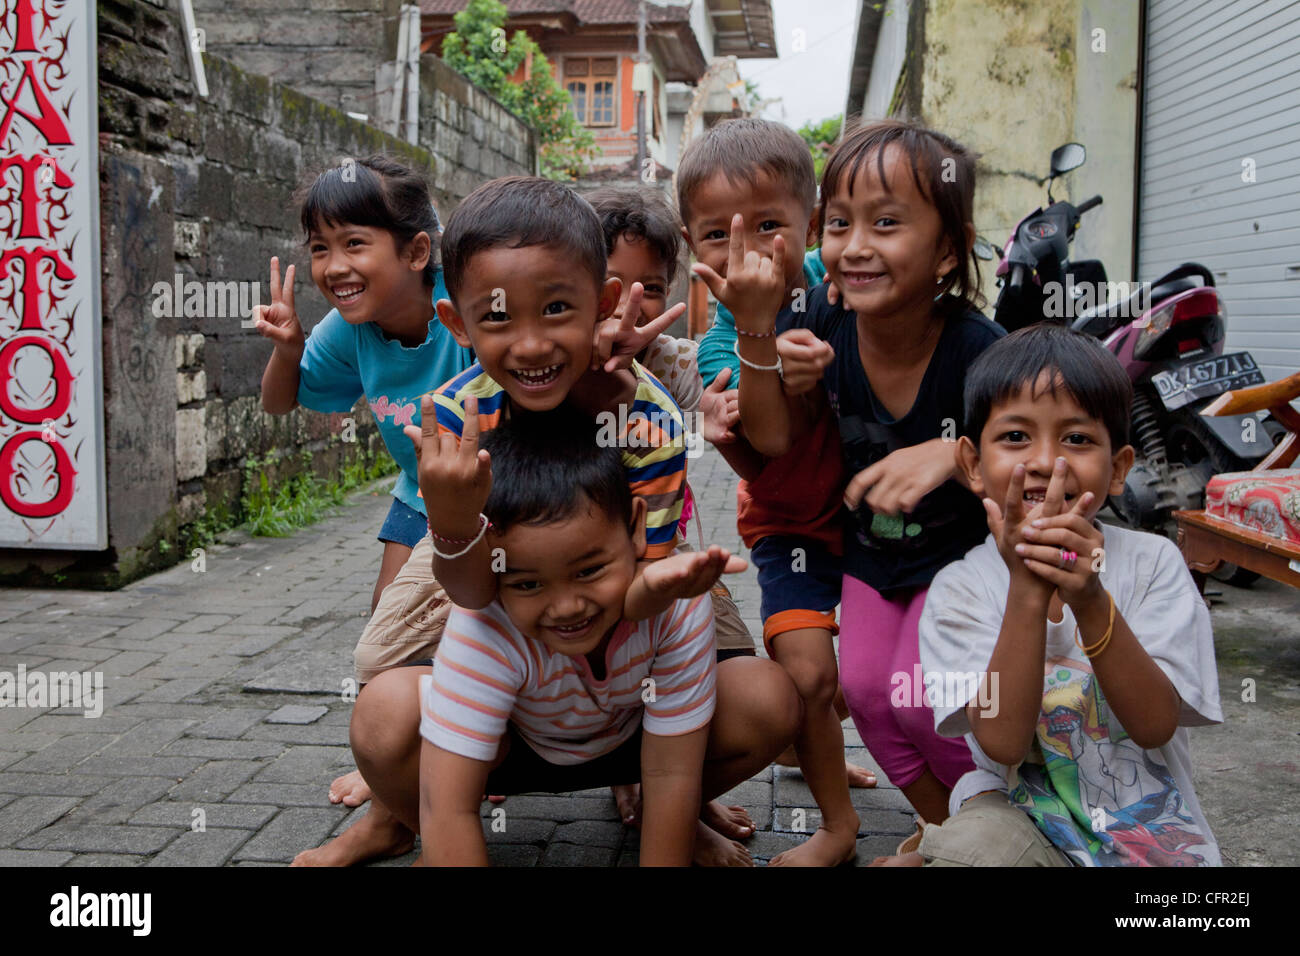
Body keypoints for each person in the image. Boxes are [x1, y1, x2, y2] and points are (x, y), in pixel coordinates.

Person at [293, 176, 758, 866]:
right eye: (500, 319)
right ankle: (406, 811)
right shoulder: (454, 419)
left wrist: (667, 594)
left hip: (628, 560)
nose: (533, 346)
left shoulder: (650, 421)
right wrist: (452, 525)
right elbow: (480, 593)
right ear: (458, 324)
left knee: (752, 688)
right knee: (378, 674)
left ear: (600, 306)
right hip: (475, 542)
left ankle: (666, 796)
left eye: (558, 310)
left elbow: (648, 579)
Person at [725, 119, 1003, 828]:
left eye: (885, 223)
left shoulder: (982, 353)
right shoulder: (821, 318)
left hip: (962, 564)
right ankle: (941, 831)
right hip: (873, 558)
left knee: (923, 697)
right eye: (839, 223)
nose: (854, 247)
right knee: (870, 693)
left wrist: (955, 453)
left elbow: (1043, 451)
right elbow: (769, 433)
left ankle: (997, 822)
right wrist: (768, 360)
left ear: (948, 250)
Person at [874, 324, 1222, 866]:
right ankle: (937, 848)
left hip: (1149, 832)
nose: (1044, 462)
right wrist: (1028, 589)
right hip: (1021, 820)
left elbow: (1154, 724)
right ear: (971, 463)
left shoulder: (1154, 565)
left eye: (1077, 439)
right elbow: (1003, 743)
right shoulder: (962, 589)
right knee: (972, 854)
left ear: (1119, 470)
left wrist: (1088, 597)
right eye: (1015, 437)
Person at [418, 406, 800, 866]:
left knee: (767, 695)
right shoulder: (484, 625)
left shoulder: (673, 598)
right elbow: (448, 804)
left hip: (634, 746)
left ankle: (651, 811)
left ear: (637, 527)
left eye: (589, 570)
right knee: (384, 716)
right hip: (512, 759)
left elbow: (671, 771)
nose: (567, 606)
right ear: (492, 567)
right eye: (527, 583)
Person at [680, 118, 869, 866]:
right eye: (715, 236)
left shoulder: (851, 280)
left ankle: (813, 741)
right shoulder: (723, 339)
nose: (744, 252)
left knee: (879, 674)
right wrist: (760, 349)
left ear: (812, 226)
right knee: (807, 673)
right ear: (694, 249)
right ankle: (839, 823)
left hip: (881, 519)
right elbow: (772, 437)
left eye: (767, 226)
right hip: (790, 531)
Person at [584, 183, 761, 832]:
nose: (631, 304)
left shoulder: (674, 360)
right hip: (566, 561)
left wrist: (716, 408)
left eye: (651, 288)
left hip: (664, 549)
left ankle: (675, 799)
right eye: (608, 282)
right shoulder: (543, 354)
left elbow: (715, 396)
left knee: (746, 685)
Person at [255, 156, 470, 614]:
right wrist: (289, 349)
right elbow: (278, 403)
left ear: (415, 253)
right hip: (421, 490)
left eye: (354, 243)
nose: (334, 267)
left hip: (501, 485)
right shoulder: (348, 328)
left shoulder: (465, 299)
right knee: (387, 619)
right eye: (319, 248)